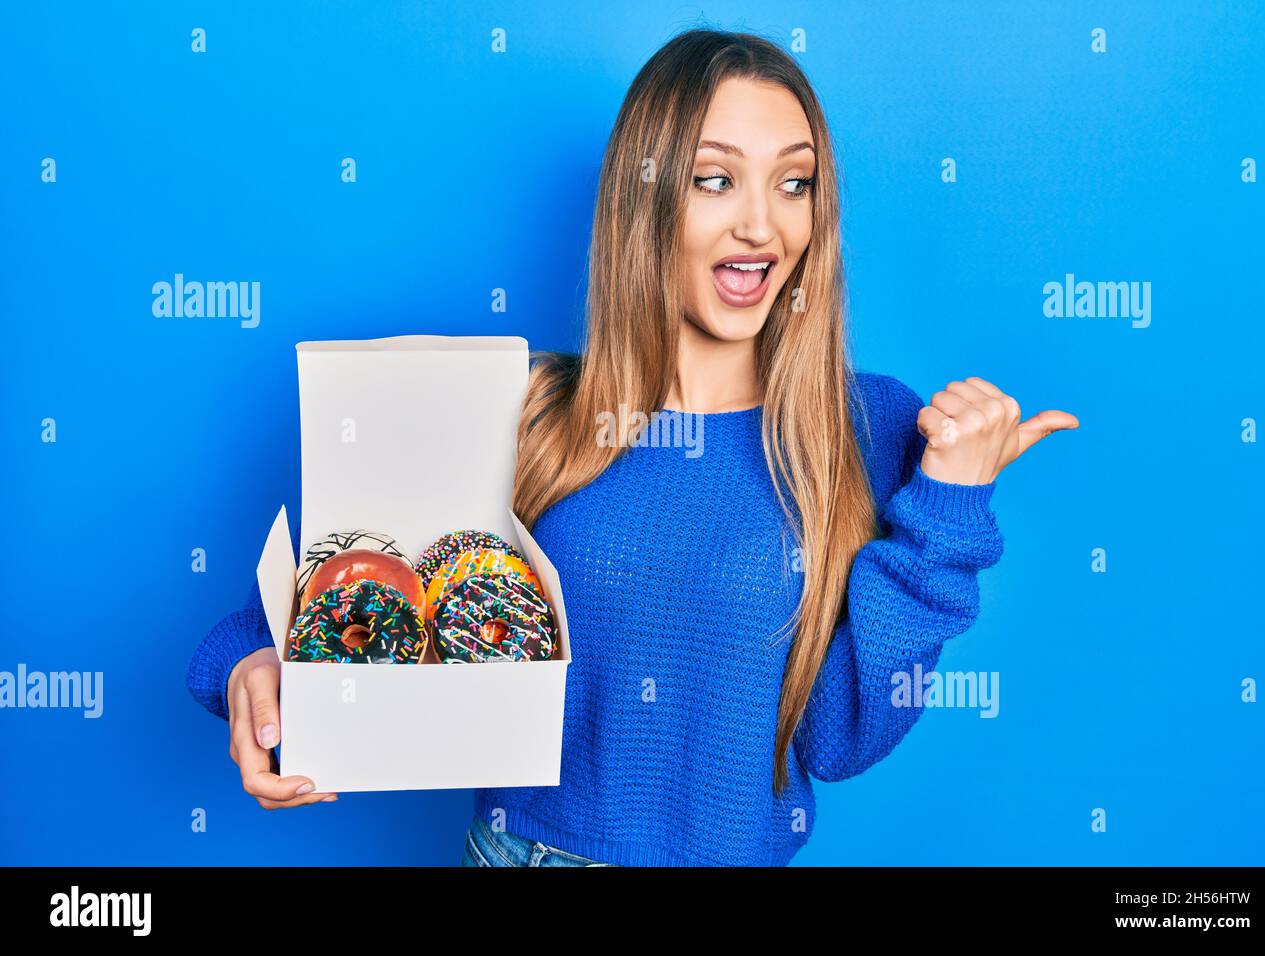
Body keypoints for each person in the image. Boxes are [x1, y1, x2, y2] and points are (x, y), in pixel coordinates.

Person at [186, 28, 1077, 867]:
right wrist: (252, 666)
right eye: (714, 179)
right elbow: (319, 610)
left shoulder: (867, 429)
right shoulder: (526, 409)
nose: (762, 227)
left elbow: (842, 739)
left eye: (793, 183)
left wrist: (949, 506)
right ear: (646, 200)